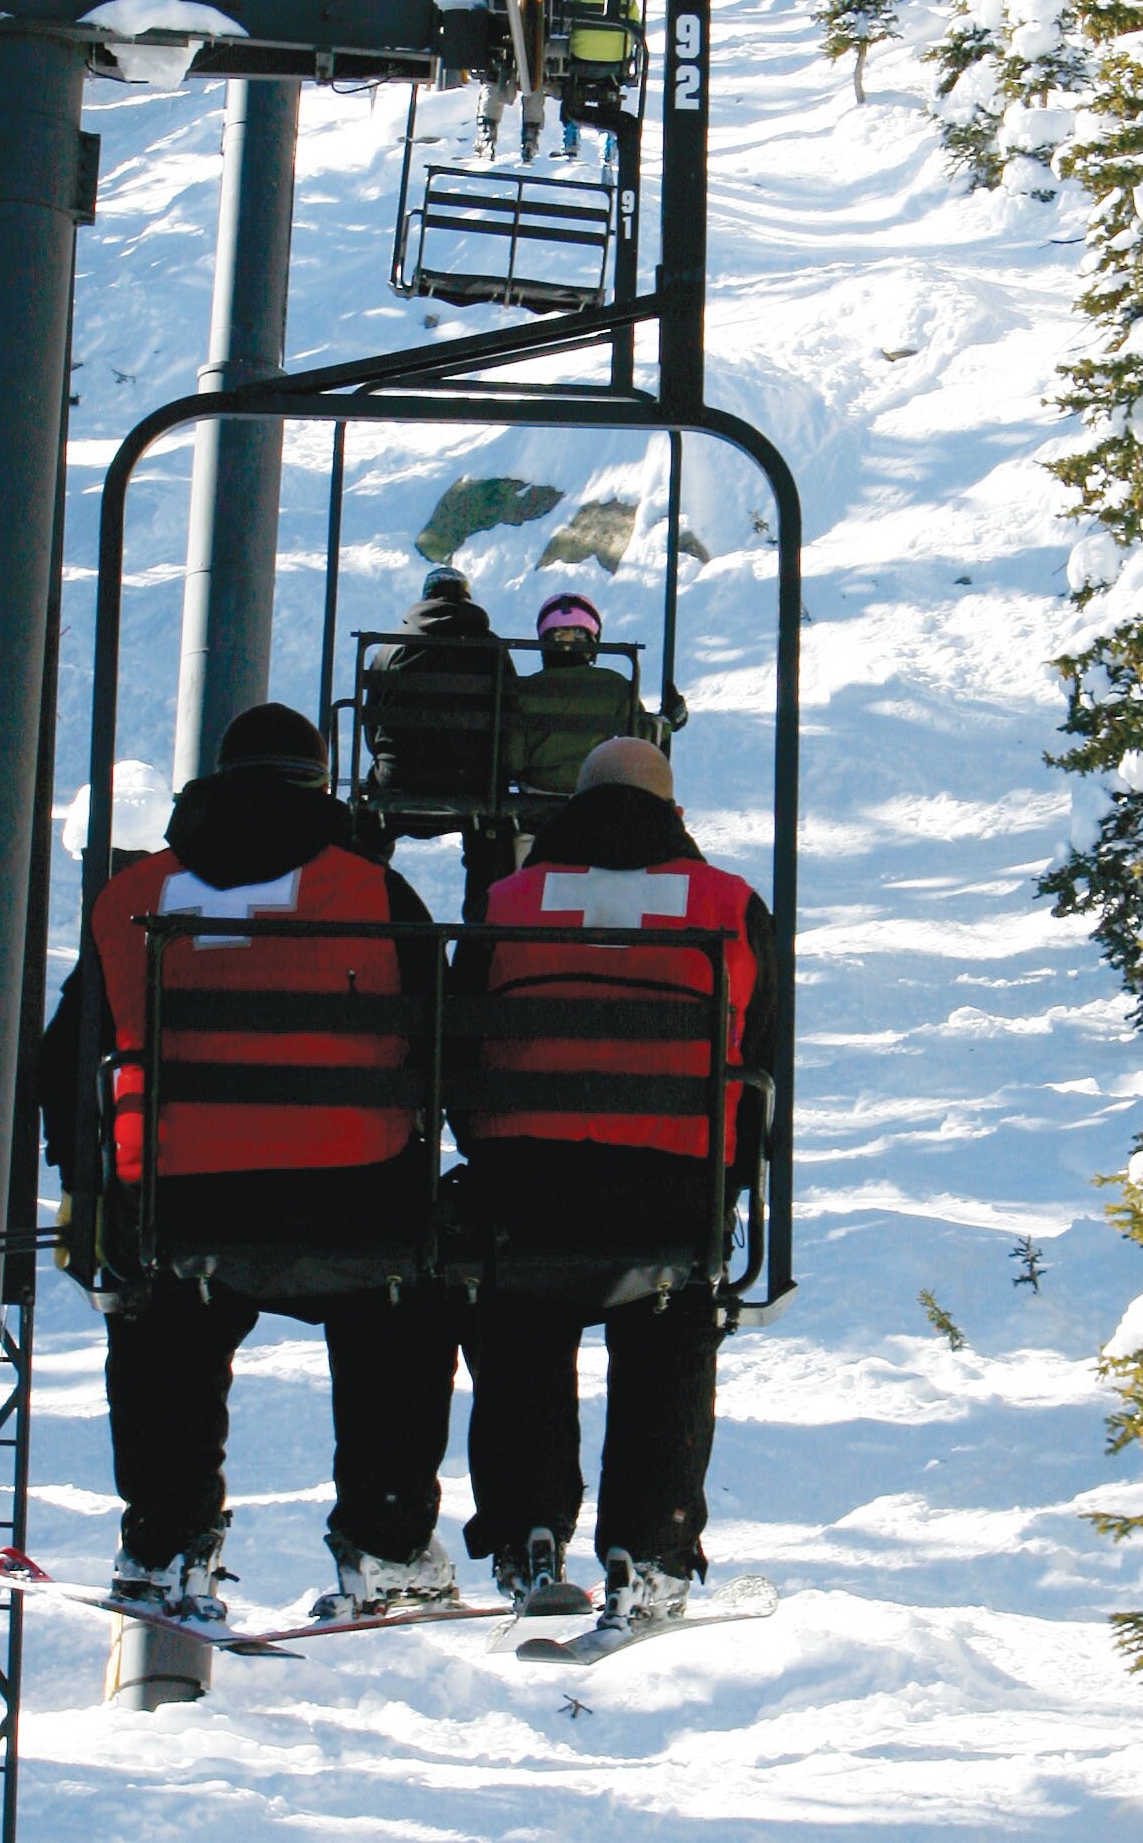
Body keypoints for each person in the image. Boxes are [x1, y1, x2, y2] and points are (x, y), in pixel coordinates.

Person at [40, 702, 460, 1624]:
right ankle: (387, 1540)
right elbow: (441, 1041)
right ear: (321, 788)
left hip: (180, 1199)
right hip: (354, 1199)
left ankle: (164, 1540)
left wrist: (86, 1185)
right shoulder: (371, 893)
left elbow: (69, 1055)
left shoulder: (127, 898)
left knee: (164, 1304)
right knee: (404, 1300)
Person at [449, 735, 774, 1631]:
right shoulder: (729, 904)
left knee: (519, 1312)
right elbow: (758, 1060)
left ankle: (528, 1531)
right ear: (673, 813)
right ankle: (651, 1543)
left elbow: (458, 1049)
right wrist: (727, 1185)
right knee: (669, 1314)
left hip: (527, 1186)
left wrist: (494, 1146)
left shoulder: (509, 900)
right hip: (670, 1187)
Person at [357, 564, 513, 917]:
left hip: (398, 781)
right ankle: (480, 929)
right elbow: (508, 722)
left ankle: (373, 911)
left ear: (425, 598)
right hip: (474, 786)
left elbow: (372, 731)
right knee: (490, 839)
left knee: (366, 829)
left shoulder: (391, 648)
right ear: (467, 598)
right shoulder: (492, 649)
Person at [503, 591, 668, 804]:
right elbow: (642, 737)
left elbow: (513, 760)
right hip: (594, 792)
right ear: (592, 641)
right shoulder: (615, 685)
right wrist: (670, 722)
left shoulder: (525, 690)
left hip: (539, 792)